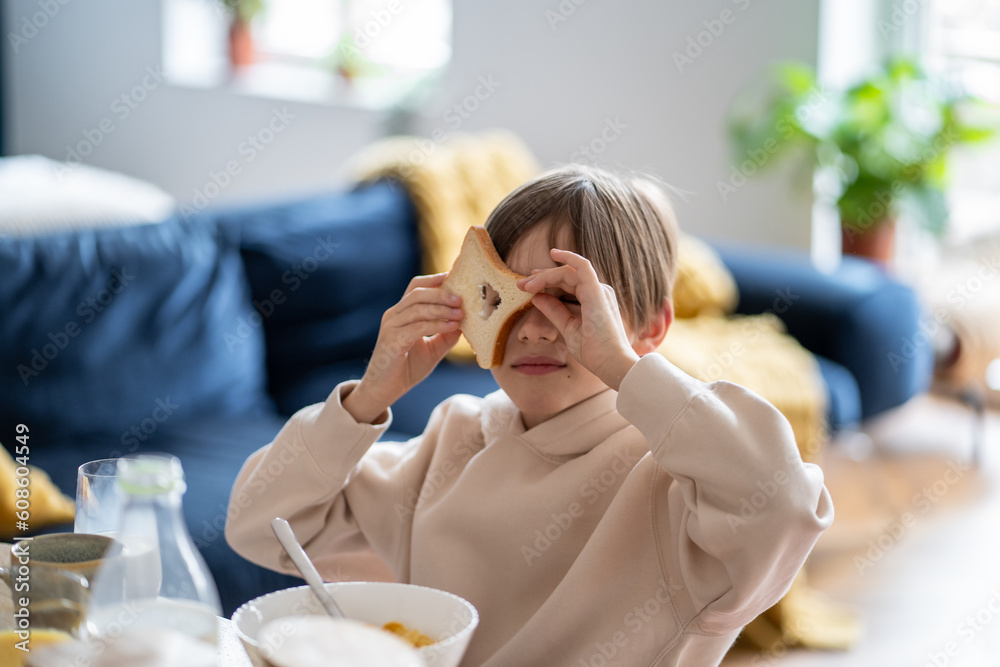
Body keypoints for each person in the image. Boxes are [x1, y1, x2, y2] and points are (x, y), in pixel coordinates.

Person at [226, 165, 834, 666]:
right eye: (505, 297)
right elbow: (260, 524)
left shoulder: (673, 480)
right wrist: (367, 398)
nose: (537, 327)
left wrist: (624, 369)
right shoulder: (454, 437)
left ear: (650, 329)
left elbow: (782, 504)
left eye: (571, 301)